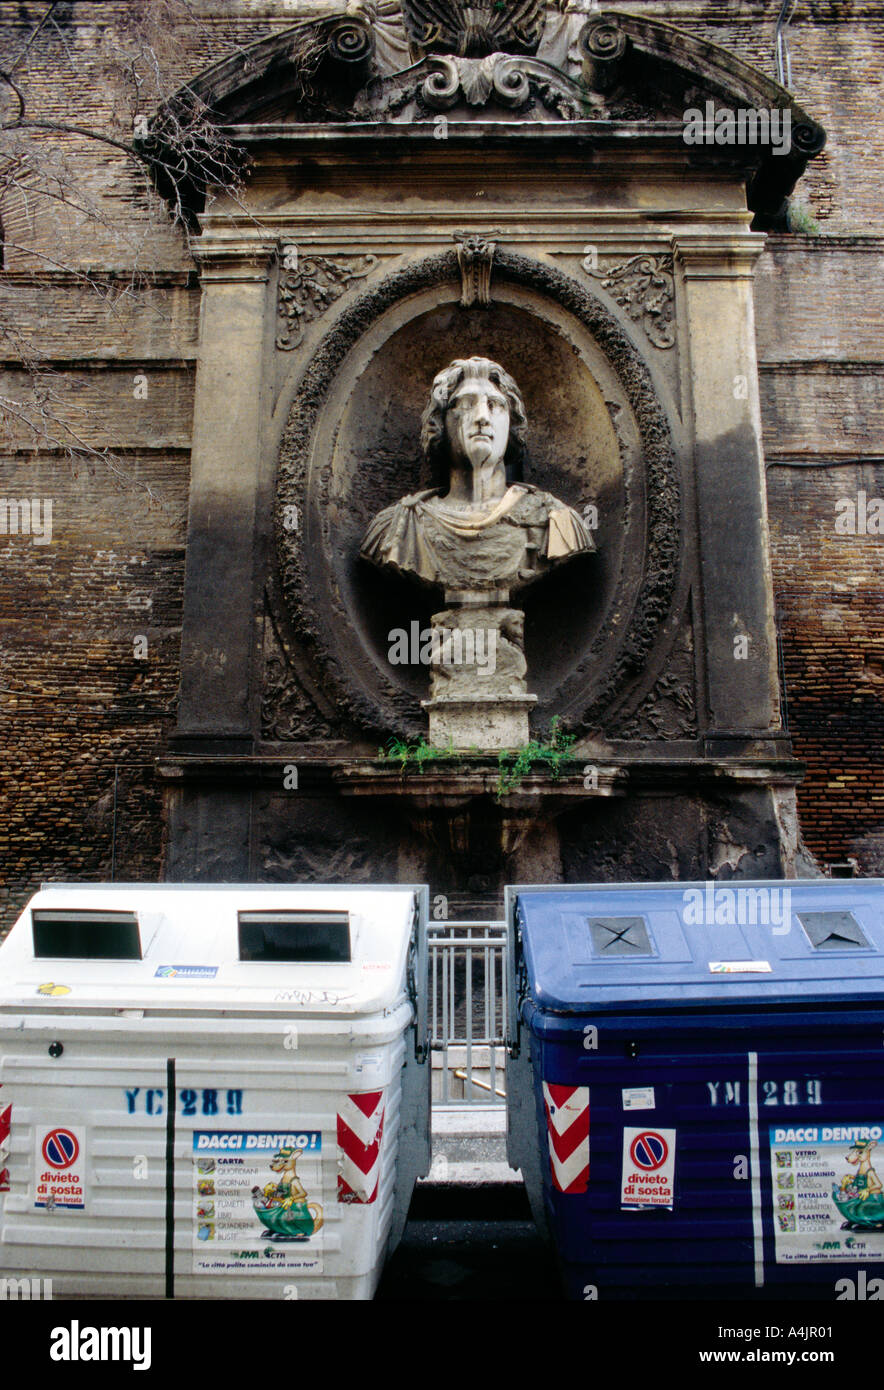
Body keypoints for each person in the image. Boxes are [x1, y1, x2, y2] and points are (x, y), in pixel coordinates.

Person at [360, 356, 594, 592]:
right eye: (465, 404)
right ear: (440, 423)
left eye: (496, 405)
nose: (482, 417)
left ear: (512, 424)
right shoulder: (399, 527)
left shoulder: (556, 522)